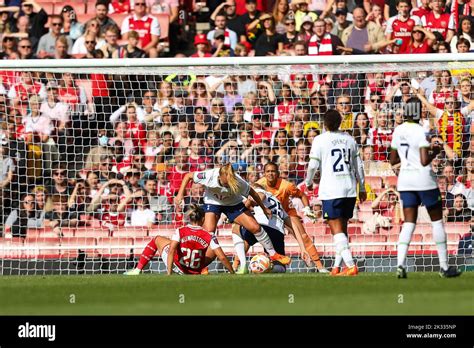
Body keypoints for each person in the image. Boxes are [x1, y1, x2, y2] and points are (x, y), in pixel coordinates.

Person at [389, 96, 462, 278]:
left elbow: (393, 160)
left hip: (405, 181)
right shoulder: (420, 131)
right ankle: (444, 267)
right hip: (423, 180)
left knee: (409, 223)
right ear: (418, 111)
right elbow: (423, 161)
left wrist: (408, 158)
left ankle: (399, 265)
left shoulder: (398, 130)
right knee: (437, 221)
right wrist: (435, 151)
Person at [174, 163, 291, 265]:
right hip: (213, 202)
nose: (227, 186)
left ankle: (273, 254)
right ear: (219, 176)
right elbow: (188, 176)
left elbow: (253, 193)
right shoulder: (209, 176)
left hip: (233, 204)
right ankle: (200, 264)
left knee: (255, 227)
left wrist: (263, 208)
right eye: (225, 184)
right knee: (208, 232)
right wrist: (180, 194)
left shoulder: (238, 181)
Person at [305, 109, 367, 276]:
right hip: (349, 190)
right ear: (340, 122)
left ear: (324, 124)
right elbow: (359, 166)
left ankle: (351, 265)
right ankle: (336, 267)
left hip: (331, 191)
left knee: (336, 230)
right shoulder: (350, 140)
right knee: (342, 230)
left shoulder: (320, 140)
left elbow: (312, 166)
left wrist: (308, 182)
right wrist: (362, 187)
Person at [257, 162, 328, 272]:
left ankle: (319, 266)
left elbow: (302, 195)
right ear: (264, 173)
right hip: (270, 215)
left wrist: (307, 208)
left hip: (287, 213)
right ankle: (237, 265)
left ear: (278, 173)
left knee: (303, 236)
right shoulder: (259, 184)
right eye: (268, 171)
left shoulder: (286, 185)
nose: (270, 174)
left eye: (273, 171)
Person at [124, 204, 235, 275]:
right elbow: (222, 257)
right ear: (203, 219)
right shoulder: (209, 235)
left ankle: (137, 270)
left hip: (178, 266)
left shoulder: (181, 230)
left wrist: (169, 273)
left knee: (157, 239)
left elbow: (172, 250)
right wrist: (232, 272)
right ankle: (201, 270)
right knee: (215, 250)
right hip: (194, 270)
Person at [232, 184, 309, 273]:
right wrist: (302, 248)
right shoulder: (277, 202)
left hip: (262, 226)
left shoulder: (259, 191)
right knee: (280, 266)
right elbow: (293, 226)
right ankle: (270, 268)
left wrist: (250, 202)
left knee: (237, 226)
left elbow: (260, 196)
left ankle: (238, 265)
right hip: (278, 233)